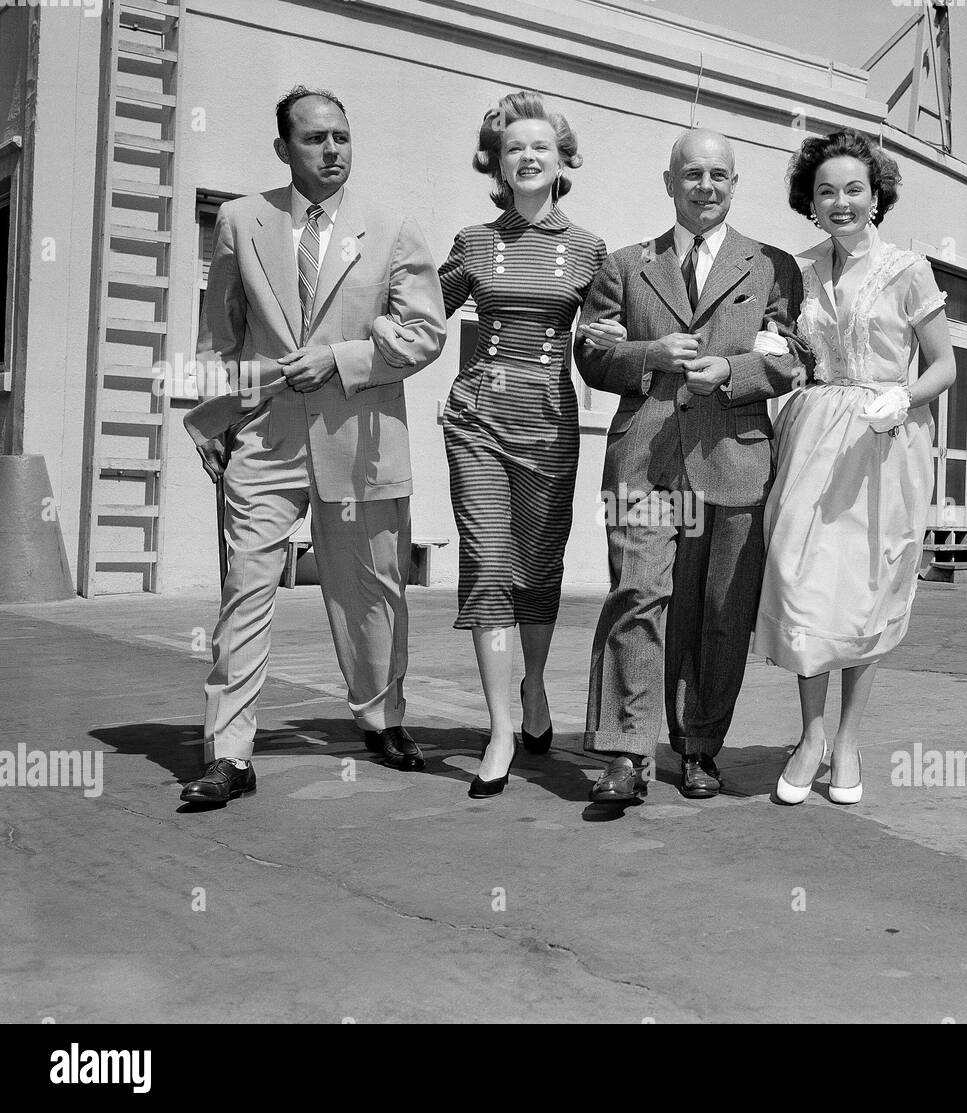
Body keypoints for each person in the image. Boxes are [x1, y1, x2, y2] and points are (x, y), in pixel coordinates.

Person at [179, 85, 447, 805]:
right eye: (315, 139)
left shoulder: (392, 228)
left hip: (361, 439)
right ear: (283, 149)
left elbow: (425, 332)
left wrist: (346, 359)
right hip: (265, 439)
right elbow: (220, 340)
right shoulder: (240, 220)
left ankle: (382, 716)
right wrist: (213, 418)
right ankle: (229, 752)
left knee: (374, 595)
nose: (332, 151)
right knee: (246, 591)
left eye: (341, 137)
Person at [375, 92, 605, 799]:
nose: (528, 157)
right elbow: (421, 314)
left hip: (550, 422)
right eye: (513, 149)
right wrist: (364, 326)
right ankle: (502, 727)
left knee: (538, 567)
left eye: (540, 147)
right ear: (498, 165)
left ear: (562, 160)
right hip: (476, 421)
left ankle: (535, 688)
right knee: (486, 565)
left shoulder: (592, 251)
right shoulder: (475, 242)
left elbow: (605, 341)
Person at [575, 128, 811, 804]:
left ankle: (700, 745)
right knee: (637, 596)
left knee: (719, 609)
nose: (706, 186)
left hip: (733, 461)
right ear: (669, 182)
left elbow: (793, 357)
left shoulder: (773, 267)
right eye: (693, 174)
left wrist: (731, 371)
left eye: (719, 175)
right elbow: (590, 355)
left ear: (734, 185)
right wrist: (651, 354)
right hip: (644, 461)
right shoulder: (623, 265)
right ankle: (626, 752)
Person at [754, 128, 956, 806]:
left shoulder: (908, 270)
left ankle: (847, 742)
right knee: (802, 582)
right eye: (826, 192)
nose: (840, 202)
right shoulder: (795, 270)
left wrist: (905, 393)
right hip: (811, 437)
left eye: (853, 190)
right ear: (809, 202)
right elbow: (783, 351)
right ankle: (809, 735)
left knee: (866, 592)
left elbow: (946, 364)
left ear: (876, 197)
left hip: (884, 441)